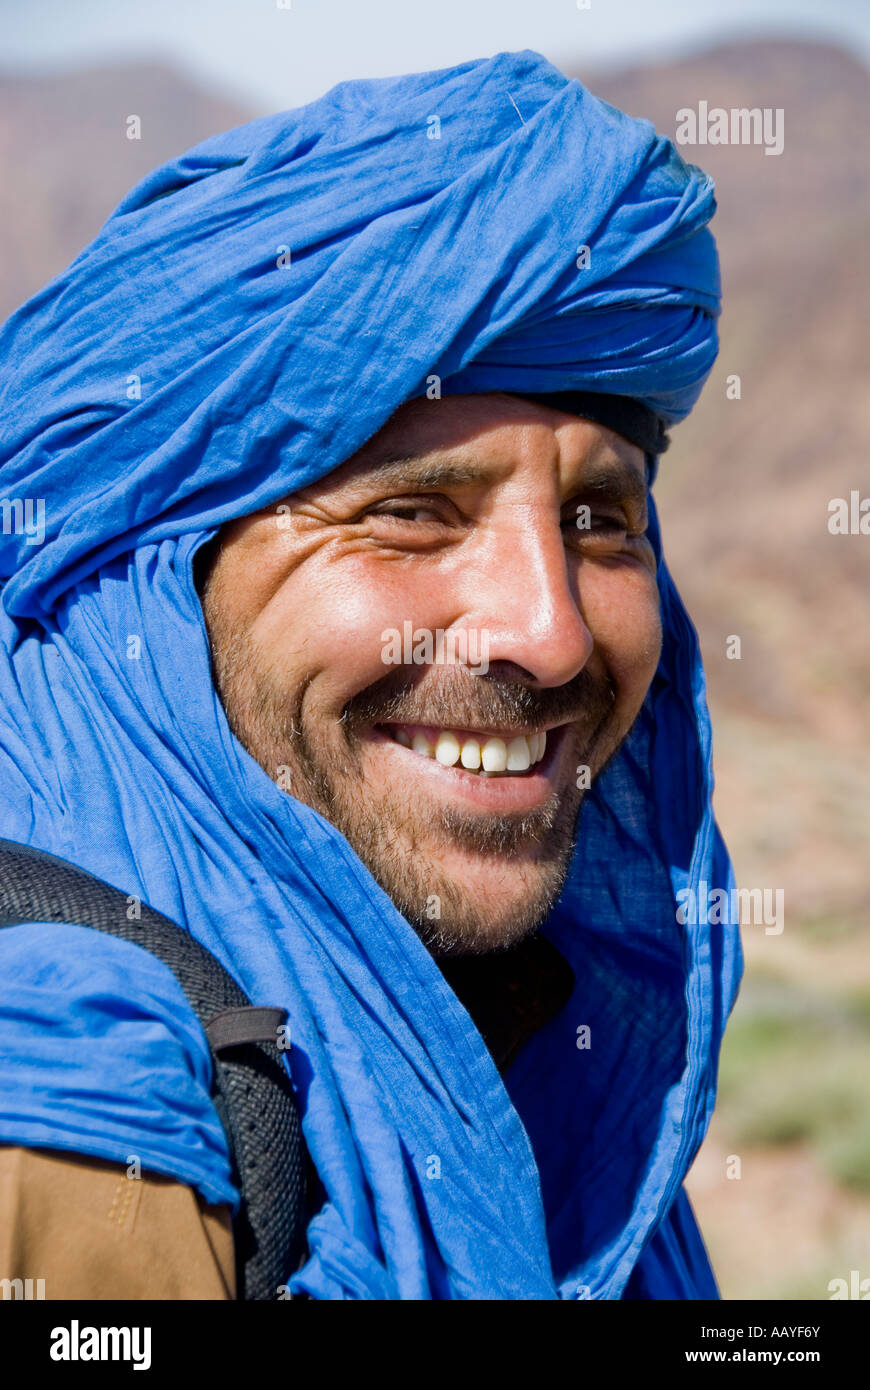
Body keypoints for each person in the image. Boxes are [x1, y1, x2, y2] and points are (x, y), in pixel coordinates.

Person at [0, 49, 742, 1300]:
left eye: (601, 519)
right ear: (154, 577)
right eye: (408, 513)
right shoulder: (77, 1107)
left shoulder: (539, 1068)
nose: (552, 635)